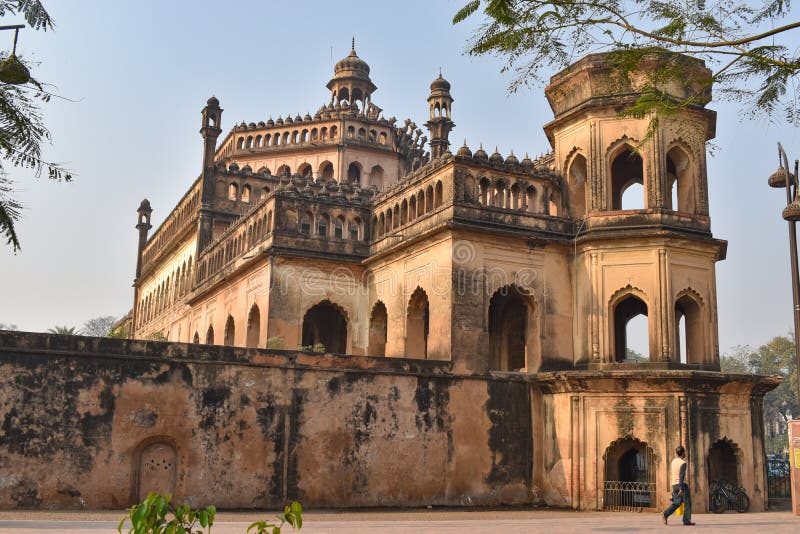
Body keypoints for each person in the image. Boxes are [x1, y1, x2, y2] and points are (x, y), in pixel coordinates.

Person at [663, 445, 695, 526]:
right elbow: (681, 475)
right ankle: (686, 520)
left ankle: (665, 514)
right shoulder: (683, 463)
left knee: (677, 502)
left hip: (674, 484)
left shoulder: (673, 461)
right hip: (681, 485)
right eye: (684, 452)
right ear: (683, 453)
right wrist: (681, 488)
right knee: (687, 503)